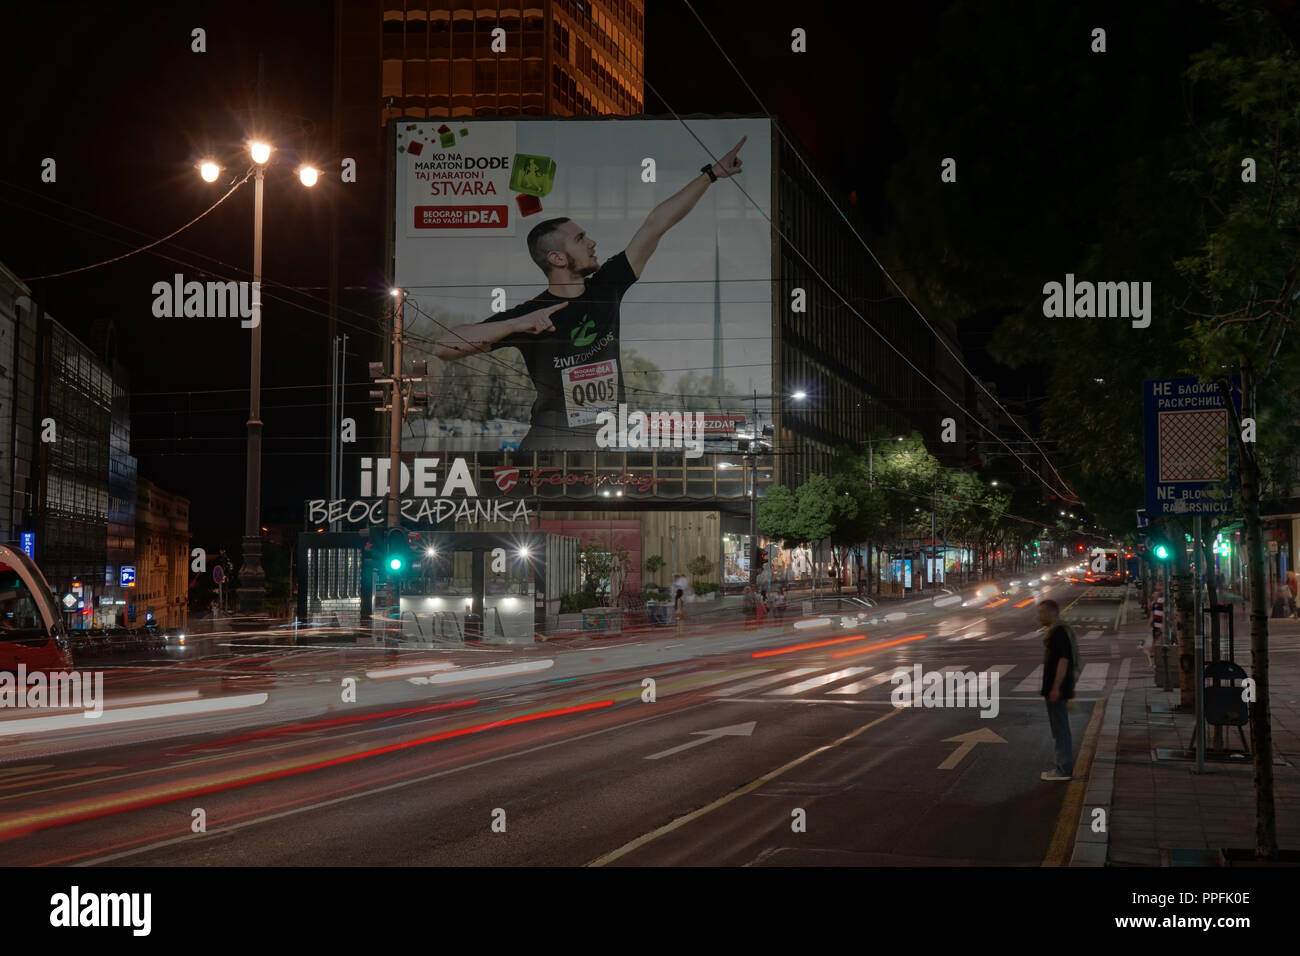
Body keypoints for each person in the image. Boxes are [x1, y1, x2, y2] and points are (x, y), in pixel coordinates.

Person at [432, 138, 749, 450]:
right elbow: (444, 347)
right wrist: (516, 325)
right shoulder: (530, 314)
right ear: (557, 258)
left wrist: (710, 175)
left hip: (603, 441)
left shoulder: (608, 284)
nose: (592, 242)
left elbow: (656, 224)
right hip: (549, 444)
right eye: (580, 238)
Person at [1036, 599, 1078, 781]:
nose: (1038, 617)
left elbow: (1063, 660)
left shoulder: (1059, 632)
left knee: (1060, 729)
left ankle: (1063, 769)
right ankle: (1062, 766)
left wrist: (1055, 688)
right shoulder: (1058, 630)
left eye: (1041, 613)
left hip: (1058, 688)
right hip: (1058, 687)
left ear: (1051, 613)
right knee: (1059, 728)